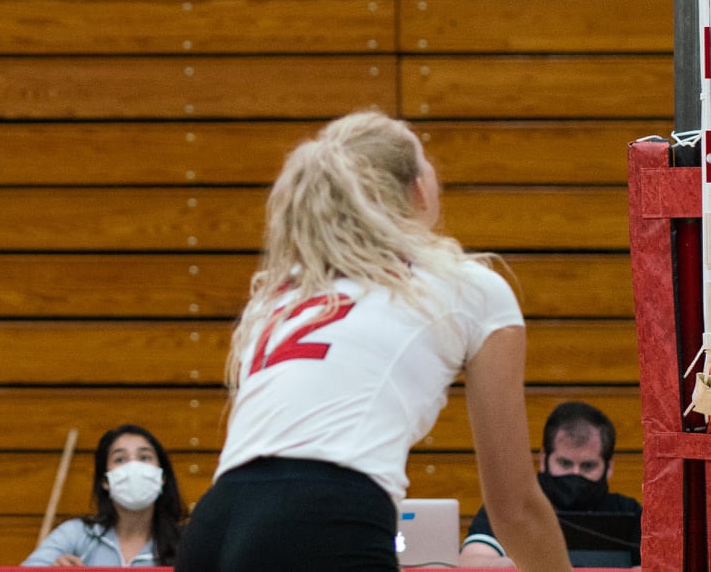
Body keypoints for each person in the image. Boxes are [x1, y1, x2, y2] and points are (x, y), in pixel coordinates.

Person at [173, 110, 572, 572]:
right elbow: (514, 507)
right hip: (323, 518)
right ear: (418, 191)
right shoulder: (468, 286)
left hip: (214, 525)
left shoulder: (288, 292)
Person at [459, 400, 642, 566]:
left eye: (588, 466)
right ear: (543, 459)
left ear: (609, 468)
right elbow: (472, 560)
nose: (575, 474)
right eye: (564, 463)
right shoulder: (512, 505)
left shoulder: (629, 512)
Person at [22, 426, 184, 567]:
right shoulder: (77, 533)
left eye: (144, 457)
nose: (133, 466)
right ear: (105, 480)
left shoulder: (187, 542)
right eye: (120, 459)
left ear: (161, 476)